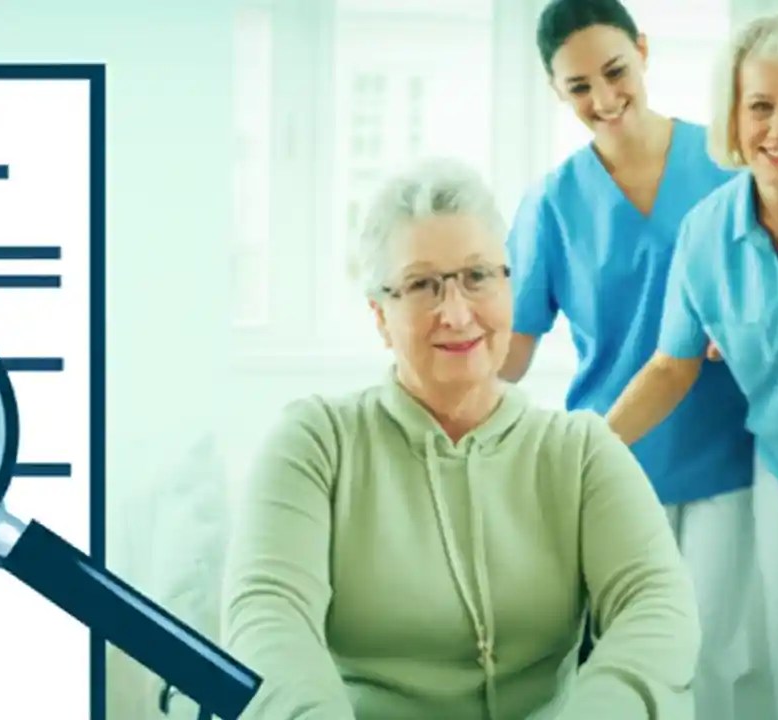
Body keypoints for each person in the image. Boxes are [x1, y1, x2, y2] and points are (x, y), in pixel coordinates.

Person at [220, 157, 700, 719]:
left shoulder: (580, 451)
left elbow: (657, 608)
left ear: (510, 288)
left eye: (477, 276)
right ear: (380, 315)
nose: (456, 312)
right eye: (422, 285)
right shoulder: (316, 443)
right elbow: (269, 616)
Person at [502, 2, 769, 717]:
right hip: (613, 458)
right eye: (578, 86)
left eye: (615, 70)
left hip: (723, 453)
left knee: (713, 653)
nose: (604, 98)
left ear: (644, 52)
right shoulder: (552, 203)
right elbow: (513, 353)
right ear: (555, 90)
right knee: (624, 659)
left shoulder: (725, 165)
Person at [605, 10, 778, 719]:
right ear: (735, 114)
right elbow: (673, 367)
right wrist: (588, 446)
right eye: (761, 106)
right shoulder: (708, 233)